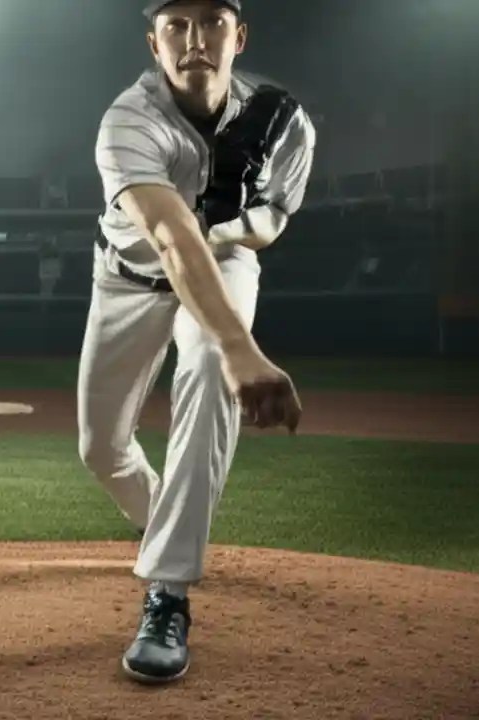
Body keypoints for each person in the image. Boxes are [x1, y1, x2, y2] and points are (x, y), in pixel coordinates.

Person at [79, 0, 316, 684]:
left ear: (238, 36)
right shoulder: (128, 119)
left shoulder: (284, 122)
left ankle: (168, 592)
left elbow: (270, 224)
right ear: (154, 43)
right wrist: (248, 349)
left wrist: (231, 221)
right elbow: (168, 238)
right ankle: (162, 522)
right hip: (126, 279)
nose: (194, 39)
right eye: (175, 24)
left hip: (223, 265)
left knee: (212, 361)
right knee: (101, 450)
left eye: (211, 20)